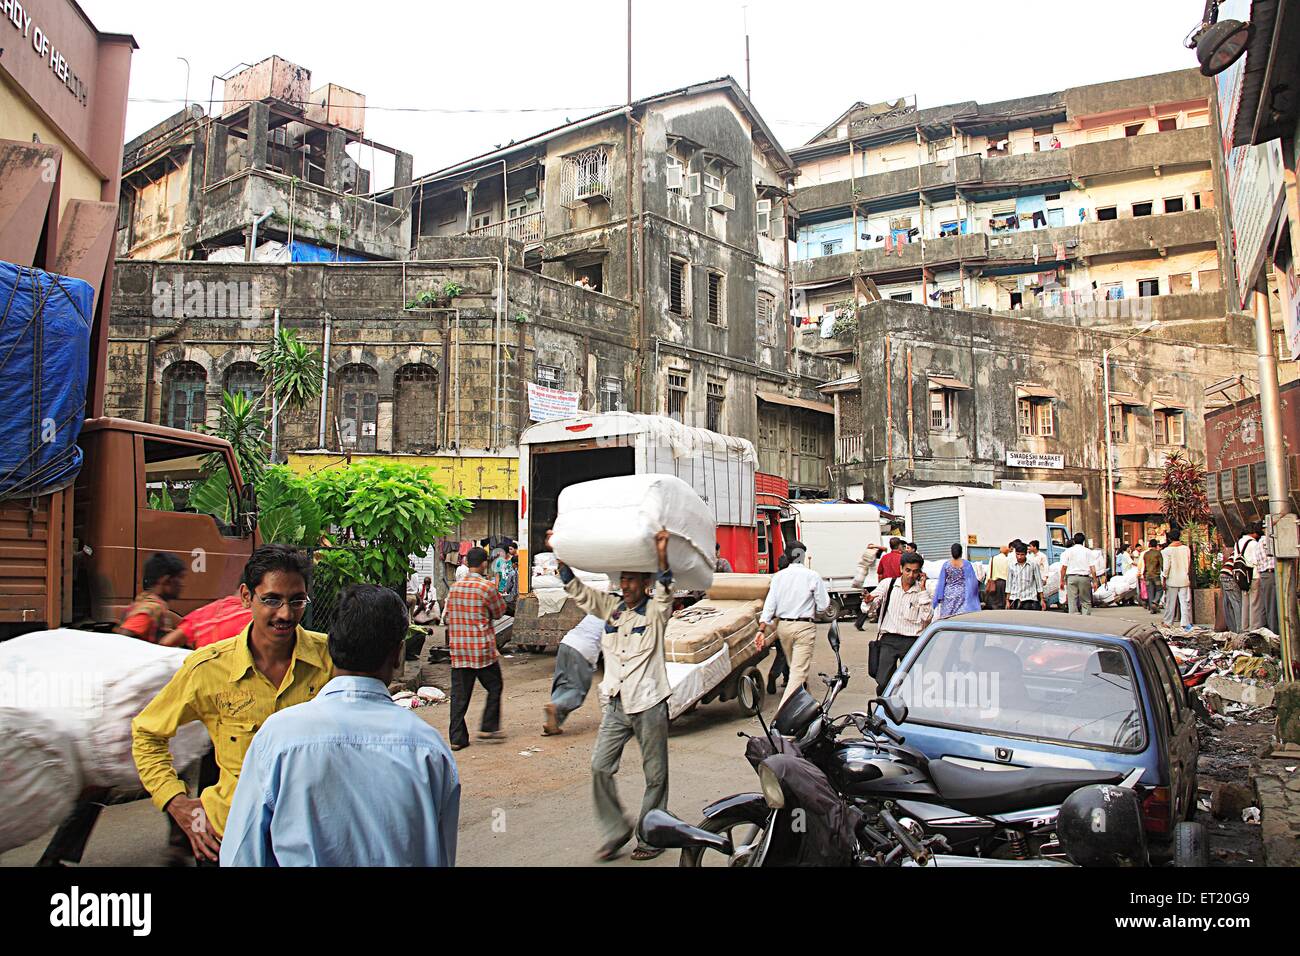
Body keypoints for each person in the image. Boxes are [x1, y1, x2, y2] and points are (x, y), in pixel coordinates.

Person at [220, 585, 460, 866]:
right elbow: (440, 855)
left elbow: (242, 854)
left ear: (330, 646)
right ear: (397, 654)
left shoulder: (279, 738)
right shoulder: (429, 749)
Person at [131, 546, 332, 864]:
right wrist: (176, 802)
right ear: (246, 597)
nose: (285, 614)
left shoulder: (331, 660)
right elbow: (146, 733)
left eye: (296, 601)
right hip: (227, 838)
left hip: (311, 842)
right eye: (271, 600)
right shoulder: (206, 668)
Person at [553, 529, 674, 863]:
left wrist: (662, 553)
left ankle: (652, 835)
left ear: (645, 583)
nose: (626, 585)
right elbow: (579, 592)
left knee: (656, 775)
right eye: (623, 580)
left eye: (633, 580)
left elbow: (666, 589)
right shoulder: (612, 609)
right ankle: (616, 829)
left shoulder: (656, 612)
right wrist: (561, 559)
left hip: (649, 702)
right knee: (600, 767)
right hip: (616, 703)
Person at [445, 547, 509, 751]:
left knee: (459, 696)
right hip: (481, 650)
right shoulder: (486, 587)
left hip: (459, 650)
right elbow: (500, 612)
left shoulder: (454, 588)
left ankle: (457, 738)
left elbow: (447, 617)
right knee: (495, 686)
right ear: (484, 564)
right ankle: (488, 727)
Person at [757, 540, 831, 707]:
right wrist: (815, 610)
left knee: (798, 670)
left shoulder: (778, 577)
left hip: (783, 628)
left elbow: (770, 605)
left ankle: (810, 707)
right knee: (798, 672)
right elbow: (823, 605)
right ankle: (782, 716)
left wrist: (761, 629)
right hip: (804, 628)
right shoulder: (812, 576)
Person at [865, 552, 933, 687]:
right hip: (889, 640)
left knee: (911, 684)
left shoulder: (923, 590)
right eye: (907, 570)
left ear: (920, 572)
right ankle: (882, 707)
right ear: (901, 568)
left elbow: (927, 618)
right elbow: (870, 608)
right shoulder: (888, 584)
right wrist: (869, 602)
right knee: (883, 682)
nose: (910, 575)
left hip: (912, 642)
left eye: (915, 572)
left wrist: (923, 589)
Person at [542, 614, 605, 735]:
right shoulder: (620, 612)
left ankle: (552, 723)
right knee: (578, 689)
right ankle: (556, 706)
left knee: (562, 684)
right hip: (584, 649)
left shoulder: (597, 608)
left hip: (567, 642)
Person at [115, 552, 187, 646]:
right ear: (166, 580)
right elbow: (123, 638)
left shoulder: (144, 601)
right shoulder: (151, 608)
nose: (182, 584)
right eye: (180, 578)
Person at [933, 543, 981, 619]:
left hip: (949, 593)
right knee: (961, 616)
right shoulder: (966, 564)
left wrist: (939, 596)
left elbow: (941, 582)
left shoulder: (946, 564)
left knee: (947, 616)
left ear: (951, 552)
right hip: (962, 593)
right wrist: (973, 595)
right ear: (961, 552)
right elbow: (972, 582)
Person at [1058, 532, 1099, 616]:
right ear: (1083, 541)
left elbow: (1064, 567)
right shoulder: (1088, 551)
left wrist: (1062, 580)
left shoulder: (1068, 551)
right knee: (1086, 601)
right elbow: (1092, 568)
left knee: (1072, 600)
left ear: (1074, 541)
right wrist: (1095, 581)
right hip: (1084, 578)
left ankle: (1074, 619)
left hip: (1071, 577)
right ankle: (1085, 618)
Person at [1162, 530, 1193, 630]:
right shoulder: (1186, 549)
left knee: (1170, 603)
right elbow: (1188, 564)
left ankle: (1168, 622)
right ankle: (1185, 623)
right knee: (1185, 602)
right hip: (1184, 578)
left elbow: (1166, 567)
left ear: (1169, 538)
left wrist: (1164, 577)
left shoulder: (1166, 551)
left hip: (1172, 579)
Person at [1006, 544, 1046, 610]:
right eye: (1018, 554)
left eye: (1022, 554)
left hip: (1030, 599)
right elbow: (1008, 584)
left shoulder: (1033, 565)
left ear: (1026, 554)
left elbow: (1039, 583)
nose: (1019, 557)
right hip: (1014, 599)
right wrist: (1007, 600)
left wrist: (1042, 599)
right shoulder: (1011, 566)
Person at [1220, 541, 1242, 633]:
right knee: (1237, 603)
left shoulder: (1238, 547)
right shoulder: (1242, 548)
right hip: (1229, 576)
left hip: (1223, 574)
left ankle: (1233, 629)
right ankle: (1239, 630)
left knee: (1229, 604)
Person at [986, 544, 1011, 609]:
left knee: (994, 602)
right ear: (1006, 552)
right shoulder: (1007, 559)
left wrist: (987, 581)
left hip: (994, 583)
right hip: (1004, 583)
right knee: (1002, 601)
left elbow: (989, 571)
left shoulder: (993, 558)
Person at [1143, 539, 1164, 613]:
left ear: (1149, 545)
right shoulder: (1158, 553)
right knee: (1160, 590)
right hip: (1156, 575)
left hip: (1147, 575)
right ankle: (1155, 602)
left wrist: (1144, 574)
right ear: (1156, 545)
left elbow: (1145, 565)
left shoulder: (1146, 554)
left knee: (1150, 592)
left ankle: (1152, 609)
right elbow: (1162, 565)